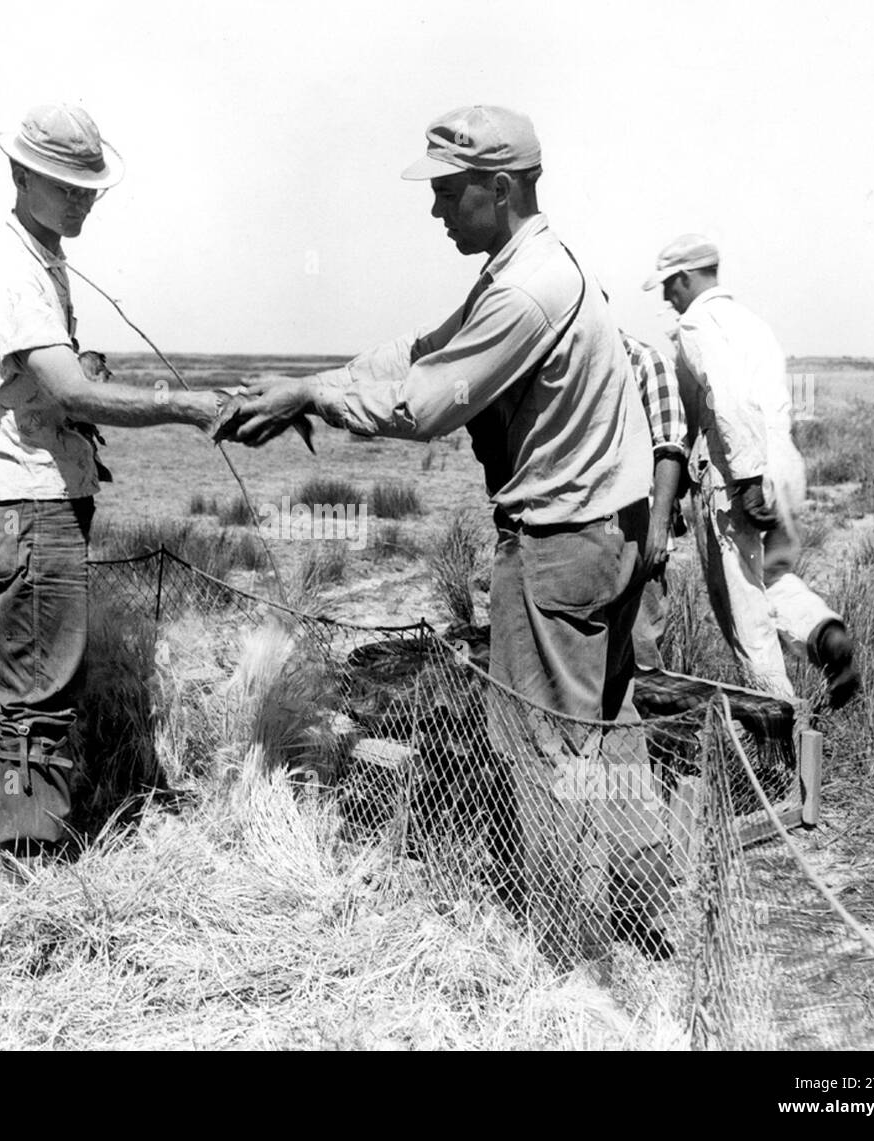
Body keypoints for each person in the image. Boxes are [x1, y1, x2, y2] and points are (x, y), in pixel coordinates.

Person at [218, 105, 672, 958]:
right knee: (606, 737)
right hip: (604, 543)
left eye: (448, 192)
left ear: (500, 189)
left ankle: (574, 964)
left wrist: (312, 399)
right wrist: (310, 384)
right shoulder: (538, 267)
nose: (435, 211)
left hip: (556, 550)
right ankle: (648, 913)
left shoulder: (526, 290)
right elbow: (424, 348)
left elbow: (423, 402)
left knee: (549, 755)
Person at [0, 103, 229, 879]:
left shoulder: (39, 258)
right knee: (40, 687)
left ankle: (1, 835)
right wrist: (184, 406)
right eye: (67, 185)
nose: (84, 200)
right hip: (30, 506)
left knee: (24, 677)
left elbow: (46, 386)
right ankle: (24, 857)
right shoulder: (13, 273)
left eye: (90, 187)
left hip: (32, 497)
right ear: (21, 174)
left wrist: (76, 402)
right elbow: (67, 390)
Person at [642, 234, 859, 706]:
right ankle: (822, 633)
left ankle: (776, 729)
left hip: (736, 474)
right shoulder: (752, 322)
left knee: (743, 611)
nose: (665, 298)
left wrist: (743, 480)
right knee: (772, 578)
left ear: (683, 278)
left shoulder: (698, 323)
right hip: (783, 467)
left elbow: (729, 397)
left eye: (667, 286)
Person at [620, 329, 688, 670]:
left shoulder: (646, 362)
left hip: (641, 525)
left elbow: (670, 447)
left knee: (641, 641)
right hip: (593, 529)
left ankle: (642, 720)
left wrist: (658, 529)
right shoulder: (575, 362)